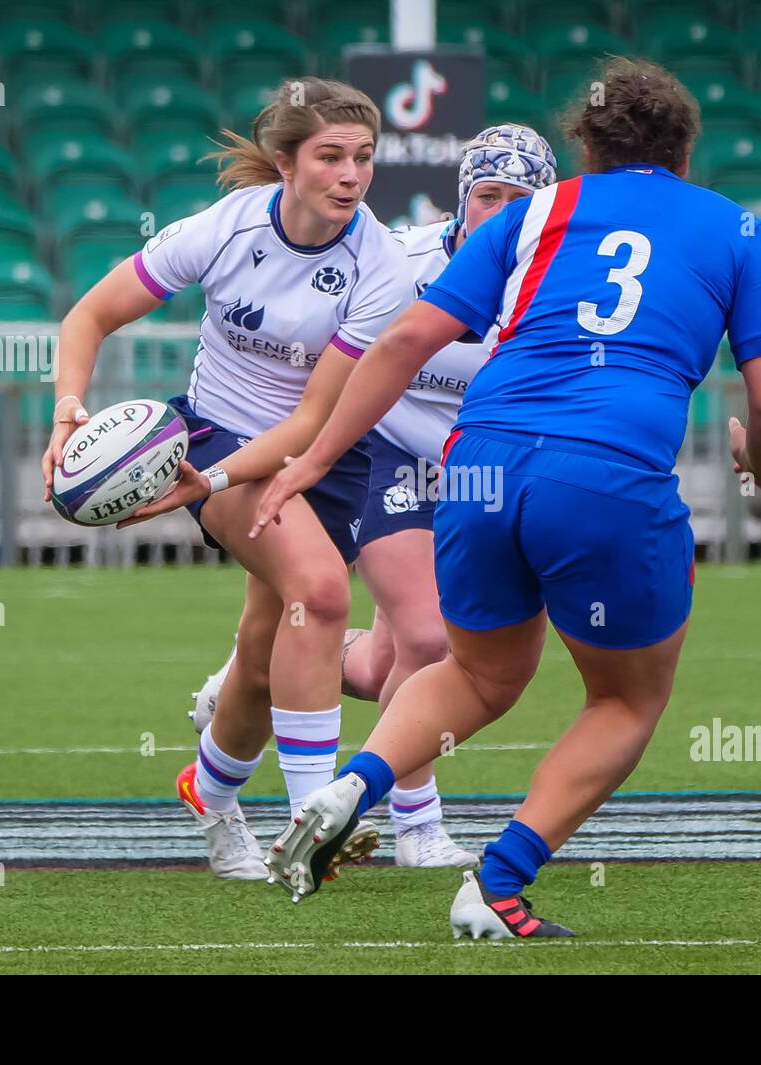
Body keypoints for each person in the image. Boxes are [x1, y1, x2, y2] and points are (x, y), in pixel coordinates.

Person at [247, 56, 761, 937]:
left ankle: (353, 784)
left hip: (481, 462)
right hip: (608, 474)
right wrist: (759, 461)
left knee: (474, 670)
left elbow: (400, 342)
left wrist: (317, 457)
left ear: (585, 145)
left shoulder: (538, 211)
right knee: (624, 700)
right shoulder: (735, 229)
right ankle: (496, 886)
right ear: (685, 150)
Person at [39, 77, 411, 880]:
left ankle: (209, 792)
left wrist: (207, 484)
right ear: (285, 161)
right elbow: (88, 316)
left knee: (259, 651)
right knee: (321, 589)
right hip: (216, 435)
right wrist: (70, 410)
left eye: (364, 159)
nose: (352, 175)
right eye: (331, 157)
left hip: (324, 456)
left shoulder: (379, 266)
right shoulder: (226, 225)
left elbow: (313, 422)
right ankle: (319, 820)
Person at [189, 125, 559, 871]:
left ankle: (240, 678)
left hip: (478, 470)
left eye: (523, 200)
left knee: (381, 659)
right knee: (426, 637)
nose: (503, 212)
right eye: (488, 195)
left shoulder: (555, 281)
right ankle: (416, 823)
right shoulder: (404, 260)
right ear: (463, 198)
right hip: (383, 454)